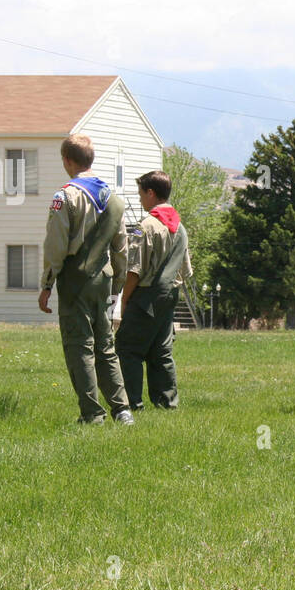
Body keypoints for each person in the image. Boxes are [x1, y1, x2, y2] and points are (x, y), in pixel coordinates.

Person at [38, 133, 134, 425]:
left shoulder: (64, 196)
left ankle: (92, 414)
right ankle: (123, 410)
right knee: (105, 345)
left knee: (80, 345)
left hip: (75, 280)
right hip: (103, 279)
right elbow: (121, 248)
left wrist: (46, 284)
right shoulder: (112, 199)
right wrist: (117, 286)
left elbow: (55, 247)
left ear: (68, 160)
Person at [116, 170, 192, 411]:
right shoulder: (180, 227)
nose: (139, 199)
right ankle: (167, 403)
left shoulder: (145, 226)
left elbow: (134, 270)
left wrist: (125, 300)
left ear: (151, 193)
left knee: (128, 349)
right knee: (161, 351)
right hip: (170, 295)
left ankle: (132, 404)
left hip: (146, 296)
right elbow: (186, 269)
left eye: (141, 194)